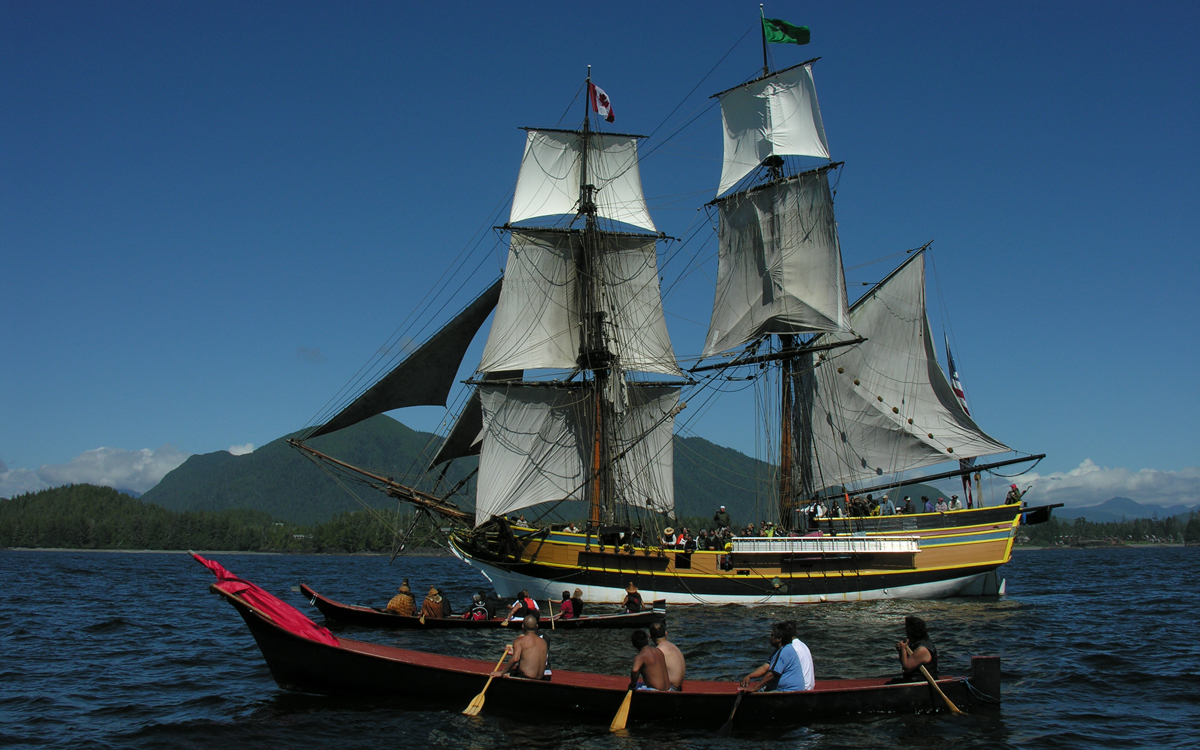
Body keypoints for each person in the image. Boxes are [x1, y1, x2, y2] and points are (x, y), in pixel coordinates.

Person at [739, 621, 814, 692]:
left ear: (779, 639)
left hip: (788, 690)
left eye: (772, 635)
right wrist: (749, 676)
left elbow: (771, 675)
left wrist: (755, 688)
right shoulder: (779, 650)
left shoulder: (786, 651)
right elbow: (765, 668)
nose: (770, 638)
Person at [491, 615, 550, 681]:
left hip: (526, 677)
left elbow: (515, 659)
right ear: (536, 626)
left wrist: (501, 673)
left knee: (505, 674)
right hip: (541, 678)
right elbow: (530, 656)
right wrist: (514, 651)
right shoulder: (543, 642)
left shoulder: (520, 641)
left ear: (522, 626)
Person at [892, 615, 939, 682]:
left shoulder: (922, 649)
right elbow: (905, 662)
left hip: (922, 682)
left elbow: (907, 668)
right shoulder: (915, 643)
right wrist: (901, 651)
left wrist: (903, 649)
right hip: (911, 680)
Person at [649, 620, 685, 691]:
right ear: (666, 633)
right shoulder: (674, 647)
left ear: (650, 636)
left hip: (671, 689)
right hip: (679, 687)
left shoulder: (659, 651)